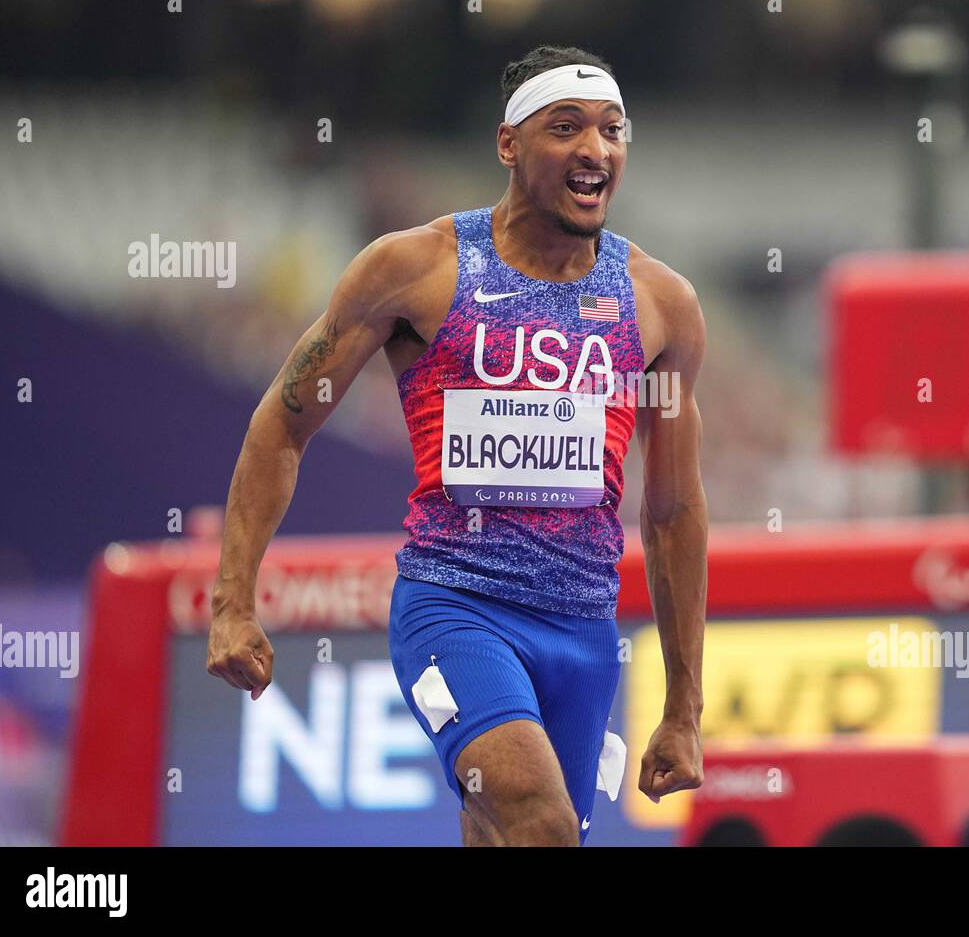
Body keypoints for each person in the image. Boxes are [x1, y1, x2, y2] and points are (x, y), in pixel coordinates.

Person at [206, 45, 709, 846]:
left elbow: (674, 510)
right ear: (509, 144)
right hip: (454, 607)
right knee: (540, 821)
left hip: (583, 631)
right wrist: (233, 603)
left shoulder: (660, 305)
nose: (595, 149)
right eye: (566, 127)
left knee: (505, 834)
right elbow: (283, 425)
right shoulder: (416, 269)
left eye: (612, 129)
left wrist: (684, 706)